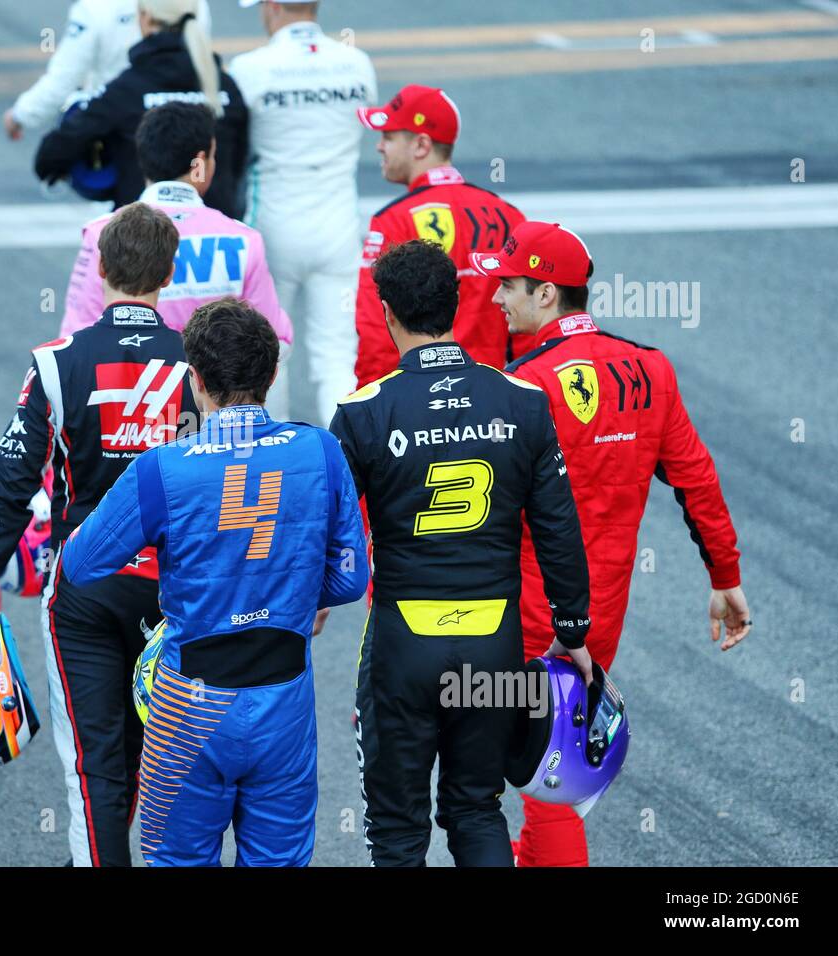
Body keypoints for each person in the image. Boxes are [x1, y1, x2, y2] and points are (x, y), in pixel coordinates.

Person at [472, 220, 751, 866]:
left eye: (509, 286)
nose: (496, 300)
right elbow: (697, 480)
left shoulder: (522, 384)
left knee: (537, 789)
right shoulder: (649, 369)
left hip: (521, 617)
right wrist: (725, 577)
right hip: (598, 619)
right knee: (546, 780)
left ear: (547, 295)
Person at [60, 298, 369, 866]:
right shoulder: (321, 450)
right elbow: (351, 578)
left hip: (187, 703)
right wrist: (295, 592)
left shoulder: (162, 467)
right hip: (284, 696)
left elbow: (79, 566)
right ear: (274, 374)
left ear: (195, 380)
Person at [0, 202, 198, 867]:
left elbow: (7, 489)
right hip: (176, 591)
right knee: (146, 745)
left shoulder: (57, 364)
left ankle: (96, 854)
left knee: (93, 760)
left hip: (84, 583)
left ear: (104, 270)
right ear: (168, 273)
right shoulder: (197, 364)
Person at [330, 239, 592, 866]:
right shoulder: (521, 401)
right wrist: (573, 628)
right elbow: (558, 524)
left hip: (402, 645)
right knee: (476, 809)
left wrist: (310, 605)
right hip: (492, 642)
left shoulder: (362, 412)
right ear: (456, 305)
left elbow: (328, 532)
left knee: (397, 830)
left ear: (388, 312)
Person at [60, 101, 292, 417]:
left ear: (144, 159)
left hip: (123, 420)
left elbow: (74, 339)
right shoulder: (243, 239)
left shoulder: (103, 232)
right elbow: (275, 342)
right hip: (210, 422)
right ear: (201, 163)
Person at [229, 0, 377, 423]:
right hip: (339, 228)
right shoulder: (357, 63)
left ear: (272, 7)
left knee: (269, 353)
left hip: (272, 231)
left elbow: (236, 151)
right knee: (337, 356)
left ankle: (274, 465)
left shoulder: (249, 68)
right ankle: (349, 468)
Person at [353, 85, 528, 388]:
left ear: (421, 145)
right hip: (494, 398)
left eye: (388, 137)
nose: (380, 146)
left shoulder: (393, 220)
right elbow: (530, 325)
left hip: (420, 401)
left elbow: (377, 330)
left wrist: (372, 404)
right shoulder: (508, 215)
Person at [35, 0, 248, 220]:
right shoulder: (225, 87)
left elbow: (51, 154)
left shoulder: (124, 91)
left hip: (142, 241)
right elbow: (240, 162)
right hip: (218, 236)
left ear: (144, 18)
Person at [3, 0, 212, 140]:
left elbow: (64, 77)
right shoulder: (194, 3)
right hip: (186, 128)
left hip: (119, 129)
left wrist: (21, 115)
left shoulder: (95, 7)